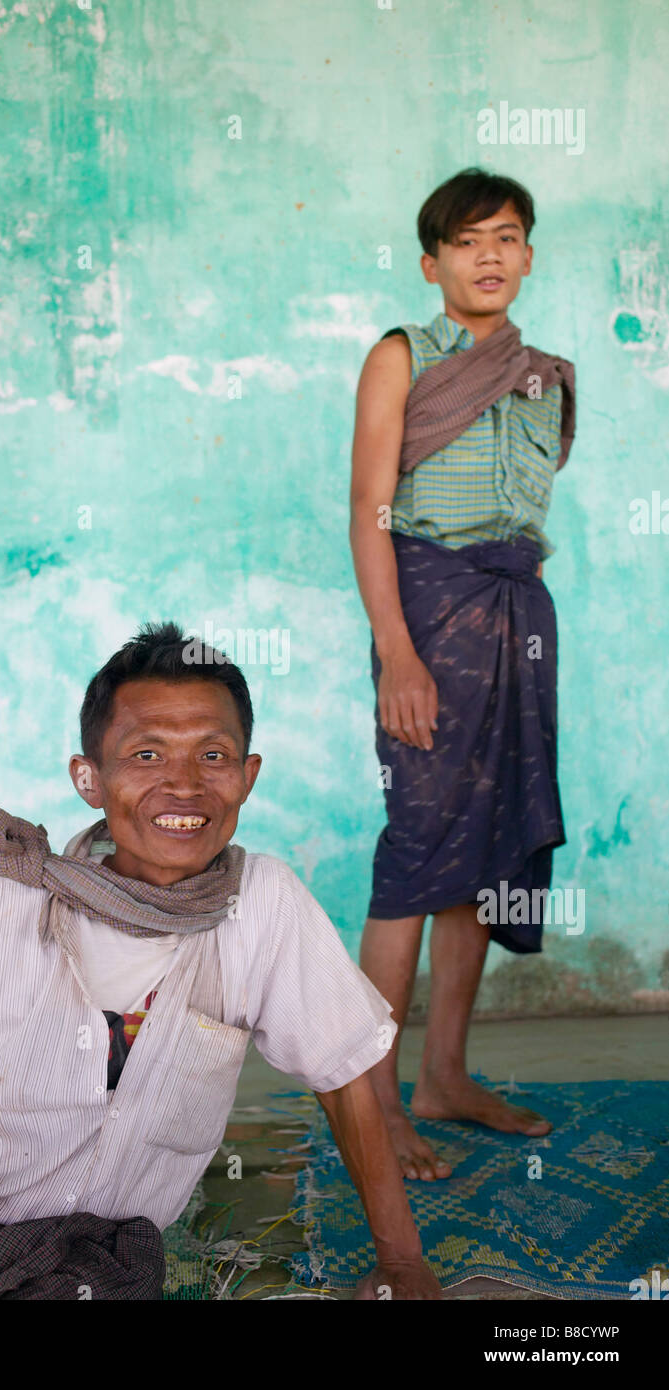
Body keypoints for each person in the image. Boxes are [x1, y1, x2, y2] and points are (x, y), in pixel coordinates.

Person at [0, 621, 440, 1300]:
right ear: (88, 777)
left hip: (106, 1257)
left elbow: (342, 1071)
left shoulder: (261, 904)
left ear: (248, 776)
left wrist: (402, 1262)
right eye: (144, 756)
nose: (184, 785)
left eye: (213, 755)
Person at [349, 168, 576, 1183]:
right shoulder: (400, 357)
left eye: (509, 237)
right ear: (431, 261)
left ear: (526, 257)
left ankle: (444, 1075)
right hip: (429, 617)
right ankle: (377, 1104)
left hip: (517, 615)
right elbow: (369, 511)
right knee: (417, 853)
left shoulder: (544, 373)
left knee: (485, 849)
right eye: (468, 239)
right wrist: (397, 650)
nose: (490, 255)